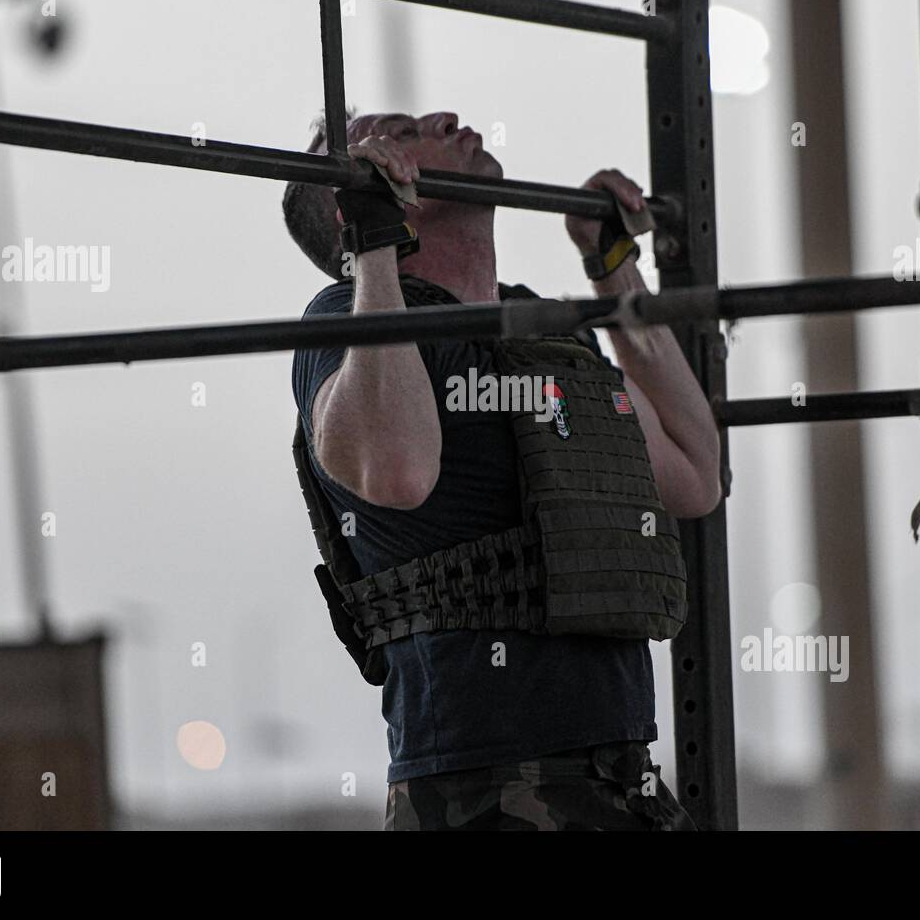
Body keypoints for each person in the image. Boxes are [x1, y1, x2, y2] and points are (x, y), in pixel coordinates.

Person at [285, 109, 722, 830]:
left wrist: (614, 271)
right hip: (479, 790)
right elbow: (396, 471)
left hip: (622, 776)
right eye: (403, 128)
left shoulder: (538, 329)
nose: (445, 117)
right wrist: (373, 245)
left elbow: (693, 472)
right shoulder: (343, 322)